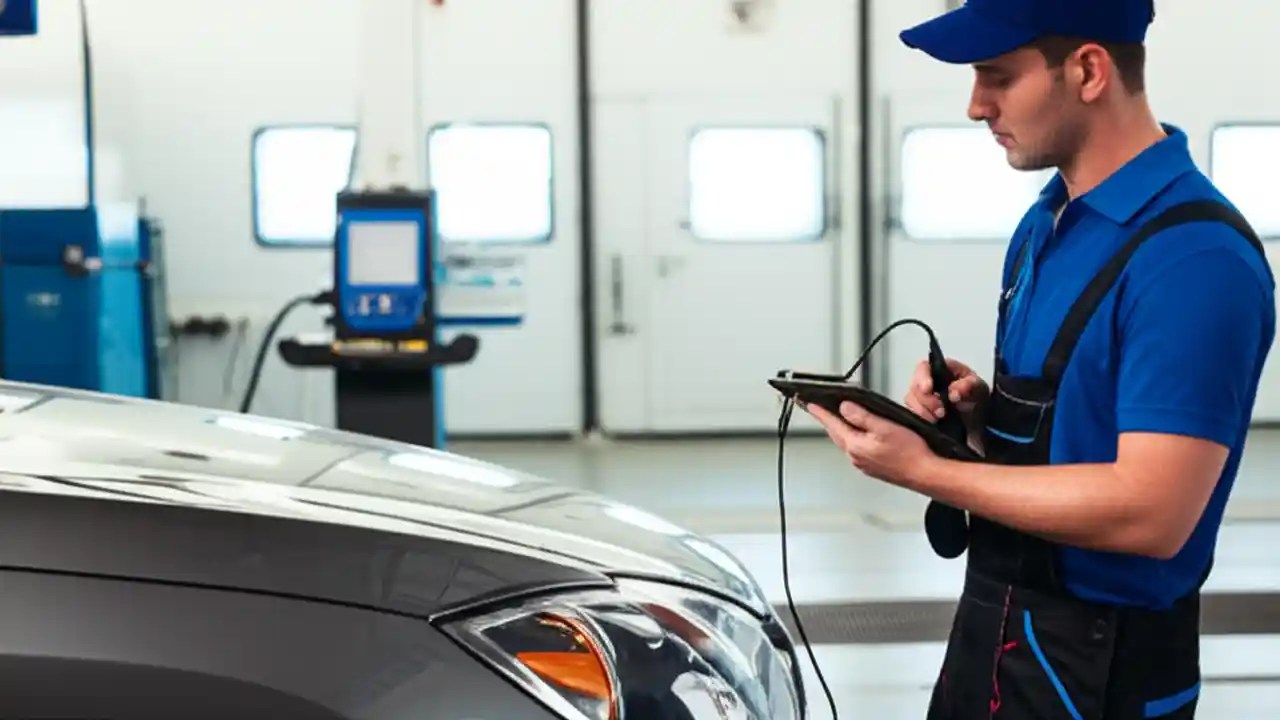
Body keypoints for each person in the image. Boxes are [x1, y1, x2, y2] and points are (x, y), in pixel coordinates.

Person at [799, 0, 1277, 718]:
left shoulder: (1194, 258)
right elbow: (1074, 430)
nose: (974, 105)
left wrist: (927, 471)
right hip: (994, 632)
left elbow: (1152, 513)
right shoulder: (1043, 224)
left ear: (1088, 70)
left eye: (996, 75)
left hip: (1103, 671)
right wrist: (978, 420)